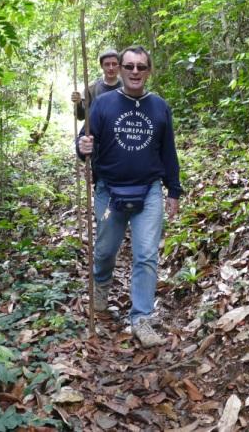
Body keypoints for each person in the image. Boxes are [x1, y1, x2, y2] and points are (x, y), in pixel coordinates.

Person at [76, 45, 182, 347]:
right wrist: (81, 148)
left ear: (148, 72)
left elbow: (168, 152)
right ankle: (101, 285)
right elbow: (84, 141)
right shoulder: (103, 104)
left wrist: (173, 189)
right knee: (105, 251)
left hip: (148, 191)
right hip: (109, 192)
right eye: (130, 66)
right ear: (120, 70)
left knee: (146, 255)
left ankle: (142, 318)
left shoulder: (159, 106)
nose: (135, 72)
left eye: (141, 67)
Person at [71, 49, 122, 121]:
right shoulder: (91, 88)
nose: (111, 68)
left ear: (119, 66)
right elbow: (81, 117)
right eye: (107, 64)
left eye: (114, 64)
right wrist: (78, 103)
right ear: (102, 66)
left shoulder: (127, 86)